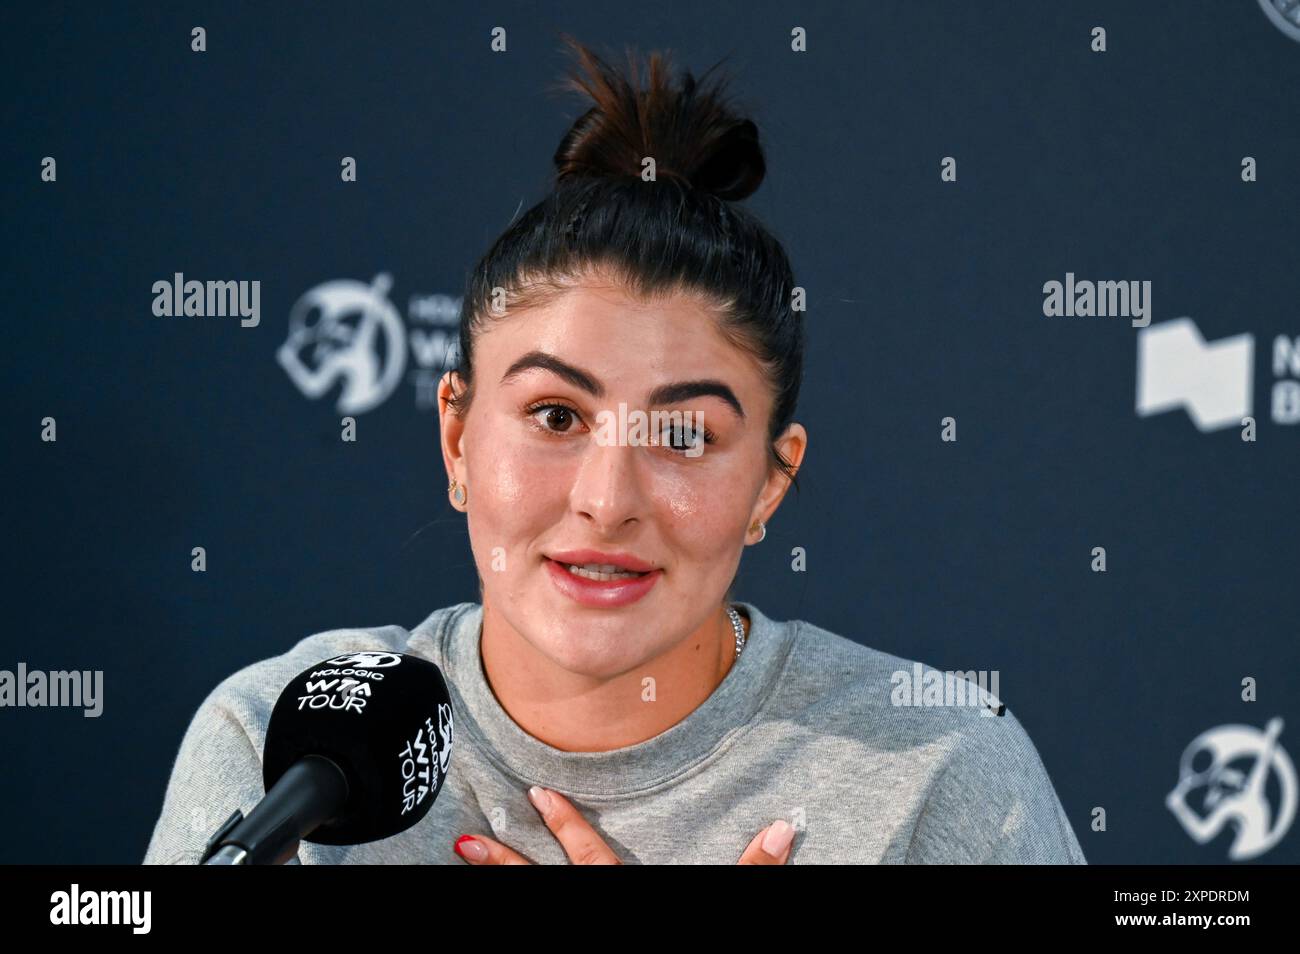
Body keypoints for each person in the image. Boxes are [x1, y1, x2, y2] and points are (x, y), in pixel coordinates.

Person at [143, 35, 1085, 865]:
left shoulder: (941, 769)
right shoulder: (283, 753)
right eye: (556, 416)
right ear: (458, 436)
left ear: (772, 479)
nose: (606, 498)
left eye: (682, 435)